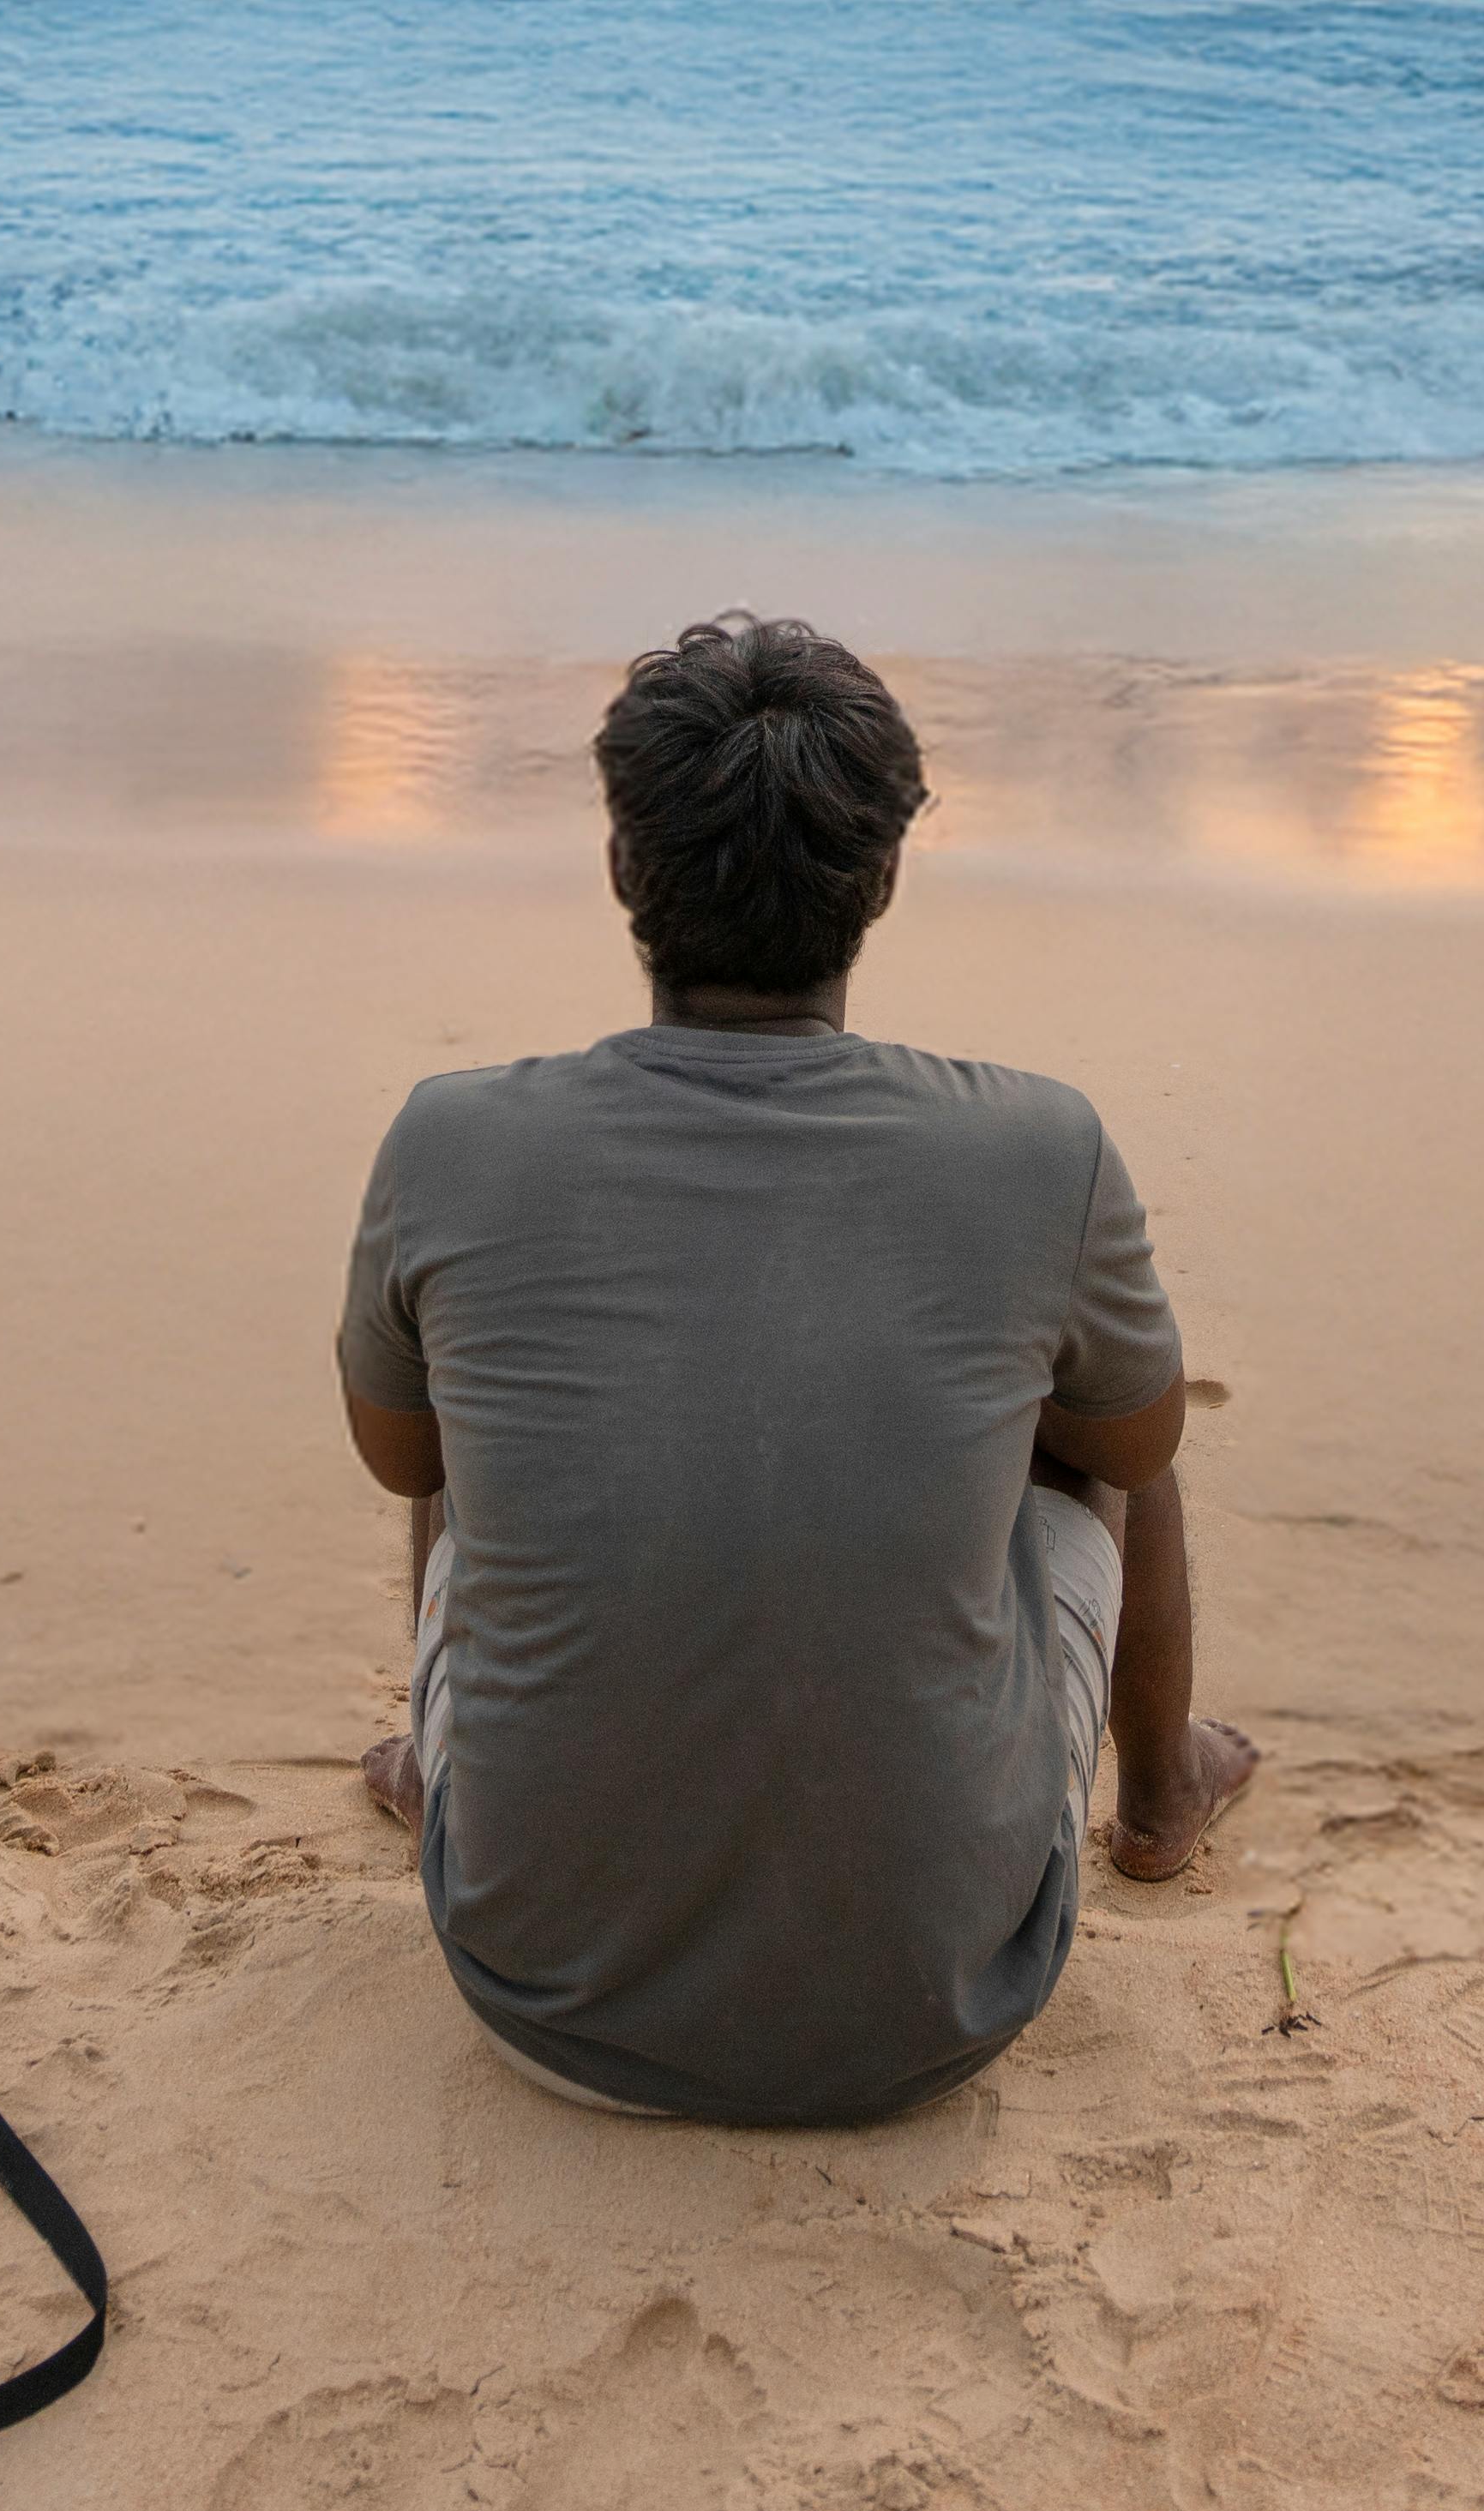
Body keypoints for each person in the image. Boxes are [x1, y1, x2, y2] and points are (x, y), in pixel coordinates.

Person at [334, 611, 1263, 2126]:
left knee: (466, 1418)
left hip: (535, 1996)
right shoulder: (1038, 1146)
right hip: (939, 2008)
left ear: (628, 869)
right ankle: (1159, 1801)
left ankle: (458, 1779)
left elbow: (399, 1461)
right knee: (1103, 1432)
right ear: (881, 879)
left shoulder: (452, 1141)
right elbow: (1138, 1433)